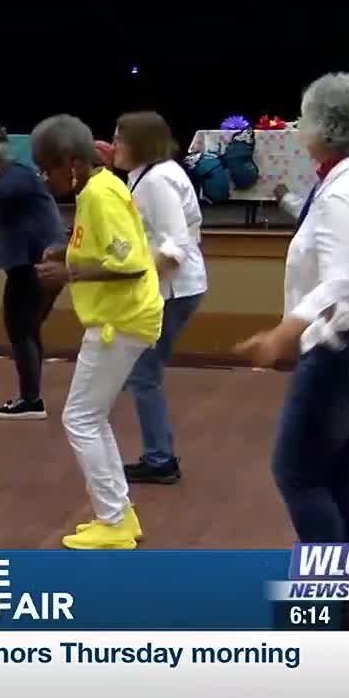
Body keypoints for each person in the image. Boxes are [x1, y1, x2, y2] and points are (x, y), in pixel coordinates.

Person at [235, 72, 349, 543]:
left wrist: (283, 334)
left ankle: (331, 601)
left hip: (346, 352)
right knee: (334, 476)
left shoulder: (346, 191)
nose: (298, 127)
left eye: (304, 117)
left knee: (300, 476)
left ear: (326, 126)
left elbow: (342, 281)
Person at [31, 115, 163, 550]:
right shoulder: (99, 189)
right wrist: (67, 248)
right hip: (122, 319)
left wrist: (68, 270)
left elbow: (130, 265)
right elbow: (107, 247)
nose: (42, 178)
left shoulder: (100, 195)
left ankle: (113, 520)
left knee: (80, 418)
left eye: (45, 169)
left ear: (71, 162)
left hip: (120, 321)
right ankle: (119, 514)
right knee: (91, 416)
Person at [111, 112, 208, 484]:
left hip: (174, 289)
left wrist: (134, 278)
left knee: (144, 374)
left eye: (120, 139)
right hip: (177, 287)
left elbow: (175, 244)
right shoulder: (154, 174)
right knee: (141, 370)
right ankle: (157, 454)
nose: (115, 145)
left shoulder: (157, 182)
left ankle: (160, 459)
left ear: (139, 143)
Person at [0, 125, 67, 420]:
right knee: (28, 329)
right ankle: (31, 396)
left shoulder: (18, 174)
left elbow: (0, 186)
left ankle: (31, 400)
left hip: (36, 265)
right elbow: (6, 223)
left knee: (20, 328)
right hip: (33, 263)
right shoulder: (8, 180)